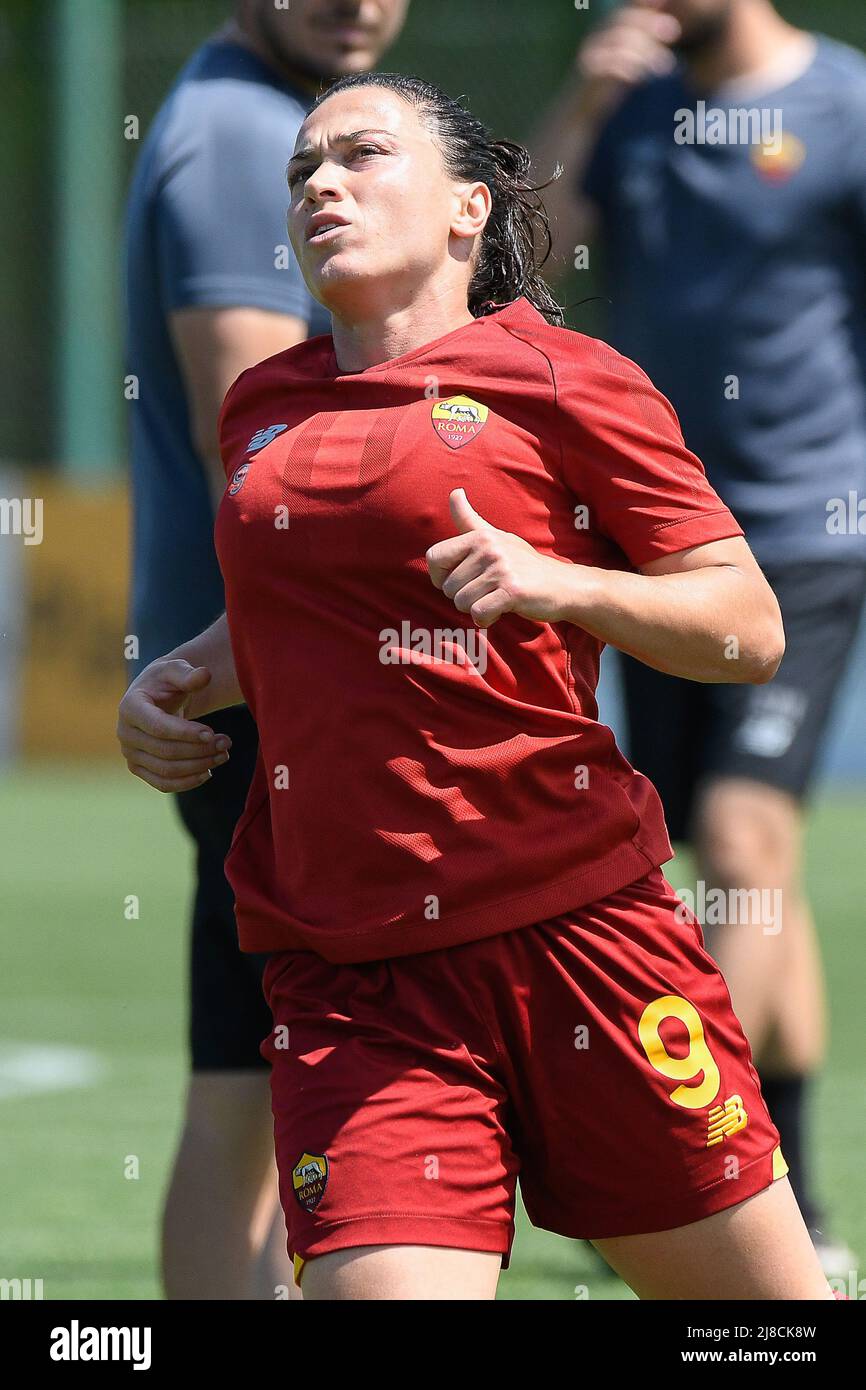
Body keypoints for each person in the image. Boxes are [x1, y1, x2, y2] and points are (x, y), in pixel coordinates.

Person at [118, 71, 836, 1301]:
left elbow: (745, 625)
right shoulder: (262, 405)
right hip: (355, 978)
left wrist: (556, 582)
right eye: (301, 171)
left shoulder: (566, 378)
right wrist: (178, 678)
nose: (320, 185)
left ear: (465, 211)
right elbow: (290, 616)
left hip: (586, 947)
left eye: (360, 155)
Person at [530, 0, 866, 1271]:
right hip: (659, 534)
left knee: (739, 836)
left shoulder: (838, 106)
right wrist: (578, 103)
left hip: (808, 530)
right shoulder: (627, 108)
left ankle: (715, 1186)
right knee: (730, 869)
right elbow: (528, 260)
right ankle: (805, 1192)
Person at [123, 0, 409, 1298]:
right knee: (295, 1080)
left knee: (248, 1075)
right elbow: (255, 453)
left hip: (266, 673)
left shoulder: (247, 112)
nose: (359, 2)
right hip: (276, 681)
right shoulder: (244, 132)